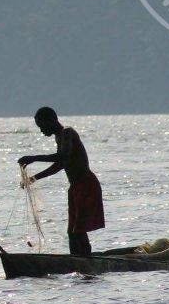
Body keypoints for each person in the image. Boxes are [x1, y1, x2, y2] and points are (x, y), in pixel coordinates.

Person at [17, 107, 104, 255]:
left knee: (79, 230)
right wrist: (33, 178)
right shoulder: (59, 137)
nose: (42, 131)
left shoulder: (67, 132)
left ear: (52, 120)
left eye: (42, 126)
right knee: (72, 231)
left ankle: (85, 263)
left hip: (86, 185)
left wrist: (33, 158)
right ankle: (76, 261)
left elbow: (63, 156)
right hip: (76, 187)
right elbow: (60, 165)